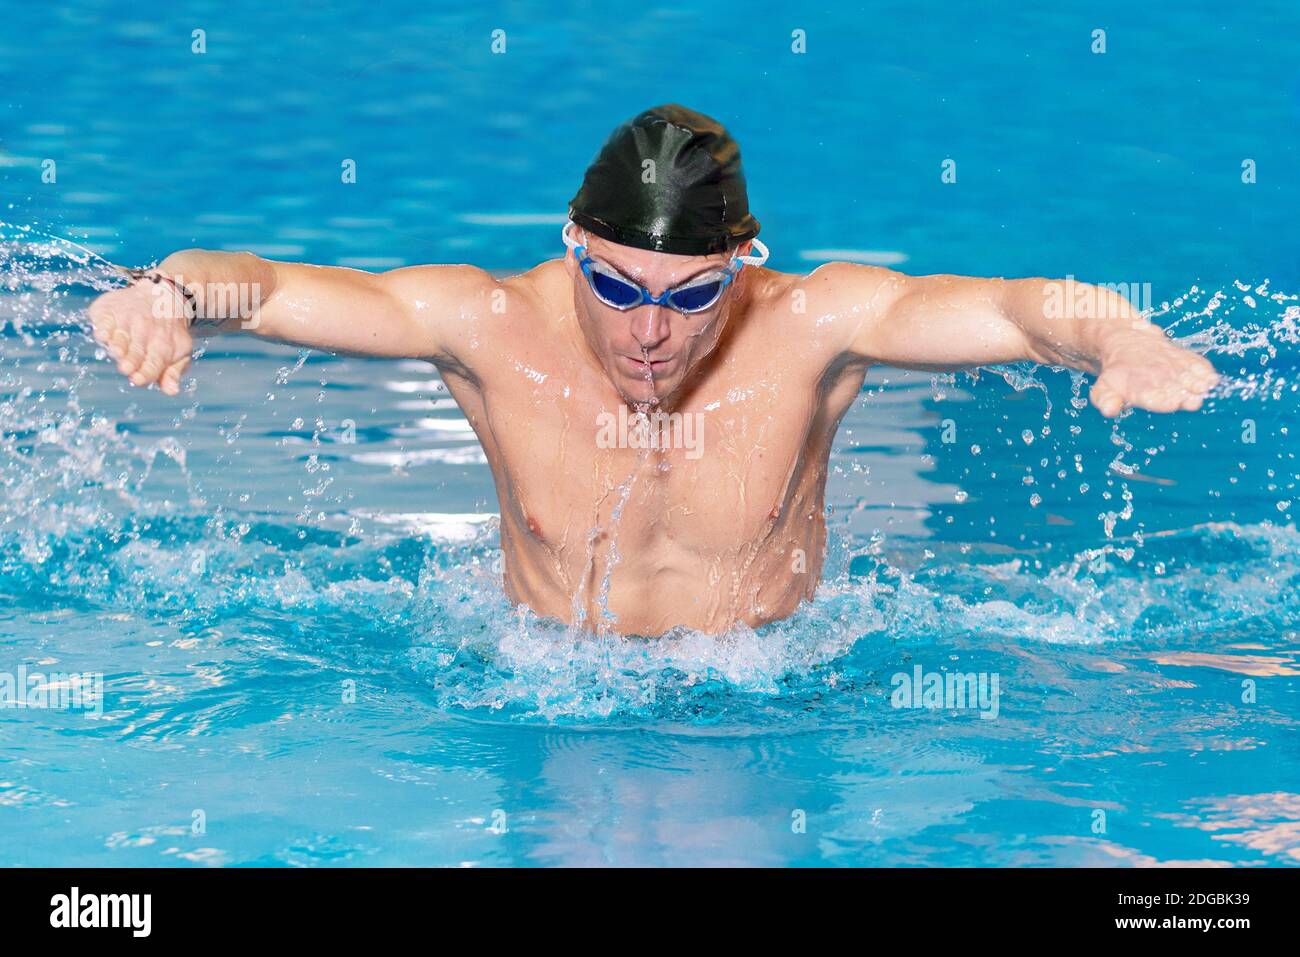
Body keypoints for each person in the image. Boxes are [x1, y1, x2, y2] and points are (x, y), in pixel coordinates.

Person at [86, 105, 1218, 636]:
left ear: (744, 264)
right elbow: (268, 283)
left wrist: (1118, 336)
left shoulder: (816, 323)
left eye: (691, 296)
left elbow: (1025, 307)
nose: (649, 332)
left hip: (778, 692)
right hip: (540, 692)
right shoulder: (483, 321)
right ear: (573, 248)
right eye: (618, 288)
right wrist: (172, 294)